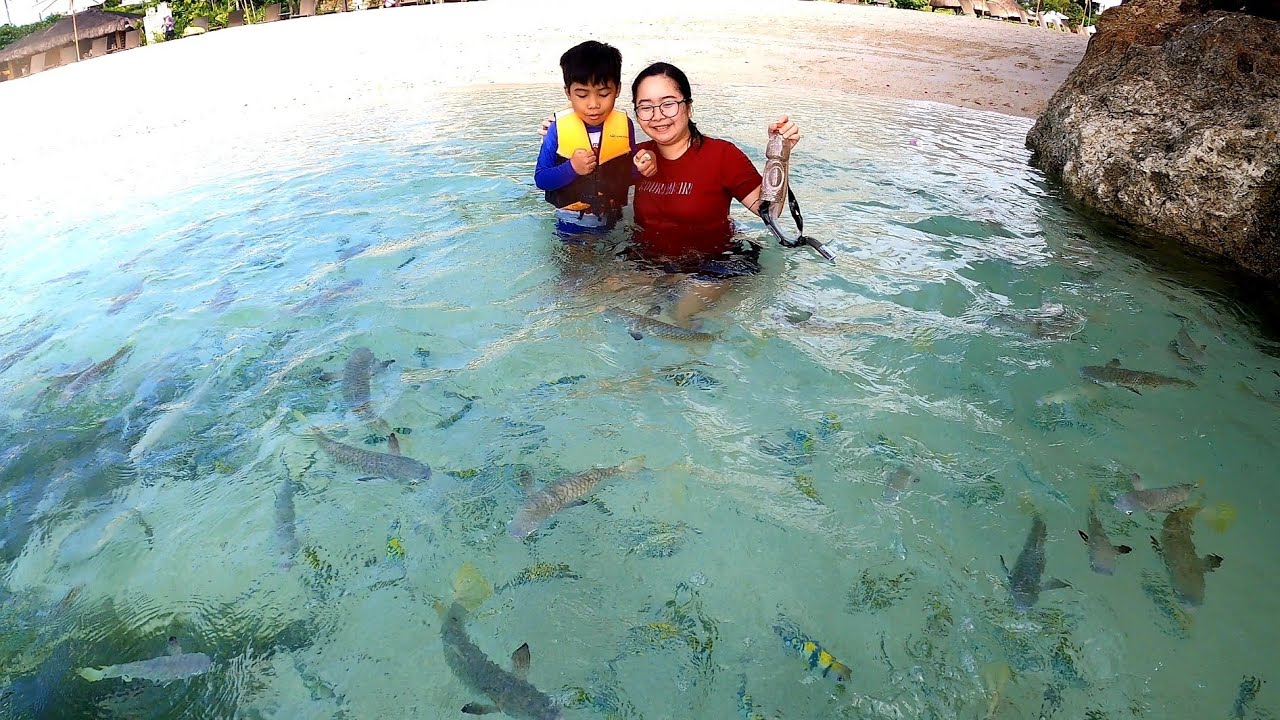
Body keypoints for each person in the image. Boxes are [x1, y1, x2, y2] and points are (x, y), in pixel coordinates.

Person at [624, 61, 800, 324]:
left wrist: (779, 155)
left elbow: (770, 211)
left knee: (677, 318)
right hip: (650, 262)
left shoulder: (721, 155)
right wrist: (556, 135)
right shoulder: (636, 157)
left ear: (689, 106)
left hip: (715, 263)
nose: (657, 115)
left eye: (668, 103)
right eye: (646, 107)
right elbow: (589, 187)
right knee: (594, 302)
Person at [534, 41, 652, 239]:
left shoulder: (625, 125)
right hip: (571, 225)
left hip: (614, 221)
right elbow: (542, 179)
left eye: (604, 94)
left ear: (618, 90)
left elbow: (625, 176)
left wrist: (642, 169)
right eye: (582, 95)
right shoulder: (557, 129)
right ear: (568, 93)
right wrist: (571, 168)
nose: (593, 105)